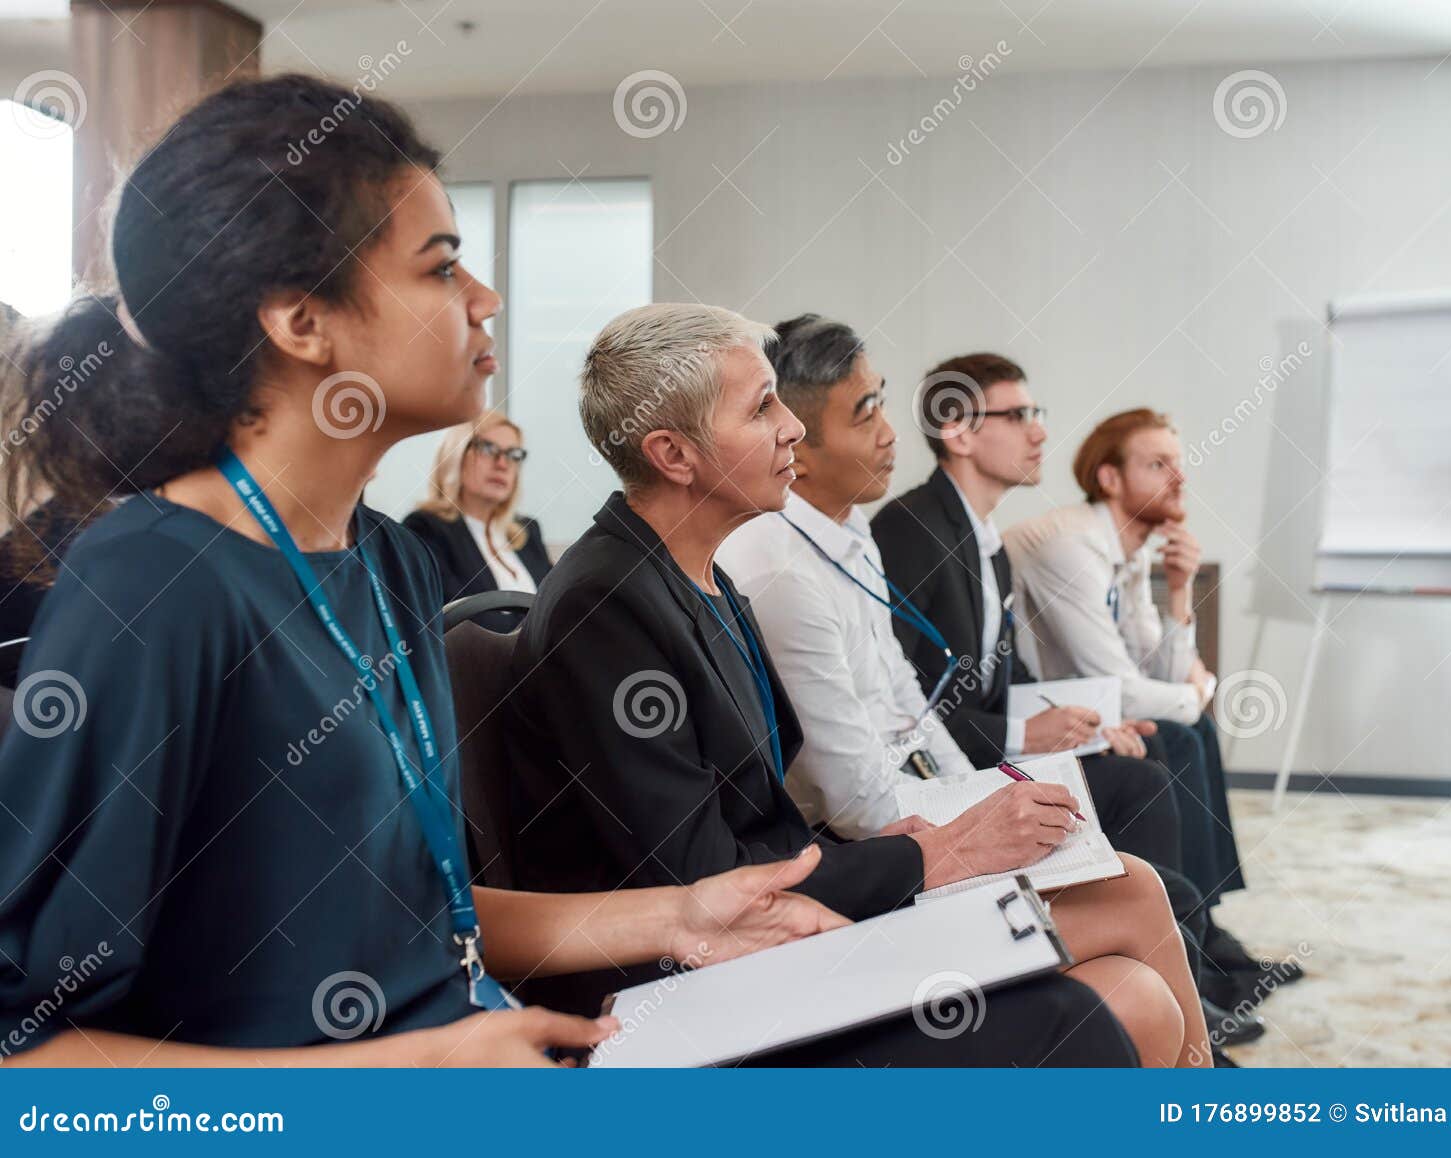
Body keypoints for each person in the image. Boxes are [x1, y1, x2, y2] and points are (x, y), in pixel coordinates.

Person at [0, 74, 847, 1067]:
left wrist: (677, 917)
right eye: (441, 268)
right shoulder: (157, 579)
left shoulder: (389, 560)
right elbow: (34, 1064)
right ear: (299, 321)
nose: (484, 301)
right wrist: (401, 1071)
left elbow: (418, 908)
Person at [504, 302, 1211, 1067]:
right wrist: (933, 857)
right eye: (762, 407)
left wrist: (924, 845)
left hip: (783, 914)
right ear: (675, 454)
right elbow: (703, 878)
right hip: (690, 986)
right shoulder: (606, 604)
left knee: (1136, 897)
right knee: (1128, 997)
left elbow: (761, 821)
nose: (793, 429)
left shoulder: (701, 575)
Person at [1002, 405, 1305, 1003]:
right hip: (1026, 722)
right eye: (1157, 464)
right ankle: (1188, 942)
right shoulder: (1072, 544)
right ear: (1110, 478)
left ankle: (1206, 928)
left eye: (1179, 463)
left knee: (1194, 733)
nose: (1179, 478)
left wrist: (1183, 593)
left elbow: (1153, 666)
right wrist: (1198, 692)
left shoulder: (1131, 552)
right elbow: (1122, 684)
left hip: (1085, 707)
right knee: (1181, 730)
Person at [404, 411, 552, 612]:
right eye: (488, 448)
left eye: (513, 454)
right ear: (455, 455)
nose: (502, 464)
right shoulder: (425, 529)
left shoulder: (528, 531)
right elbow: (459, 621)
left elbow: (558, 611)